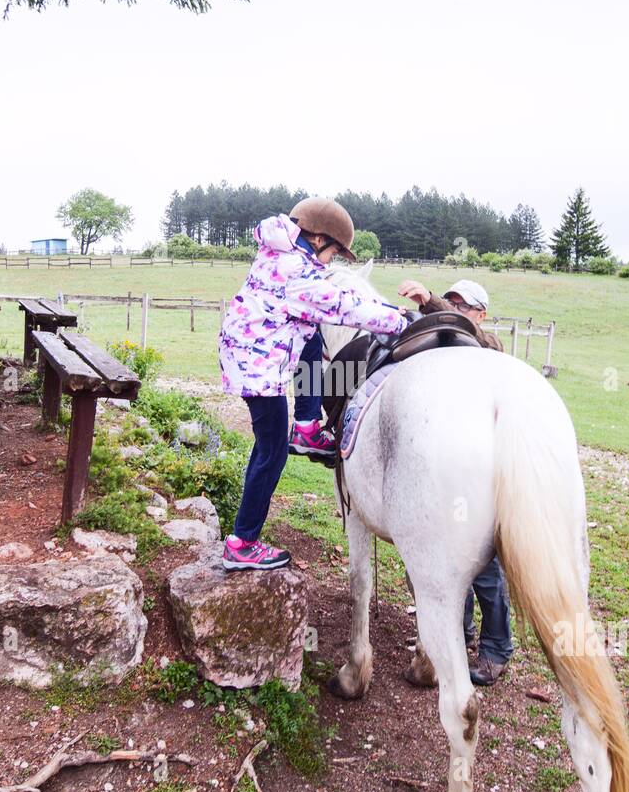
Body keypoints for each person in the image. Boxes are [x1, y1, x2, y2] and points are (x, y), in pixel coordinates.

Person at [218, 198, 407, 572]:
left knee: (313, 339)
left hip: (248, 349)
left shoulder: (282, 253)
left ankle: (306, 426)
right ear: (318, 239)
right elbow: (341, 307)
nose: (332, 261)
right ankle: (243, 542)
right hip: (257, 366)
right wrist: (399, 322)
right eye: (335, 252)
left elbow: (325, 305)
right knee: (271, 451)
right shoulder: (297, 273)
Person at [397, 276, 512, 686]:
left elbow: (465, 330)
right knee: (451, 558)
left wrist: (430, 301)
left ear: (480, 314)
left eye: (464, 307)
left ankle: (497, 649)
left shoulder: (488, 345)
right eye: (452, 304)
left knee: (486, 567)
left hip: (481, 474)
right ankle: (459, 636)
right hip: (448, 469)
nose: (456, 313)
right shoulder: (441, 346)